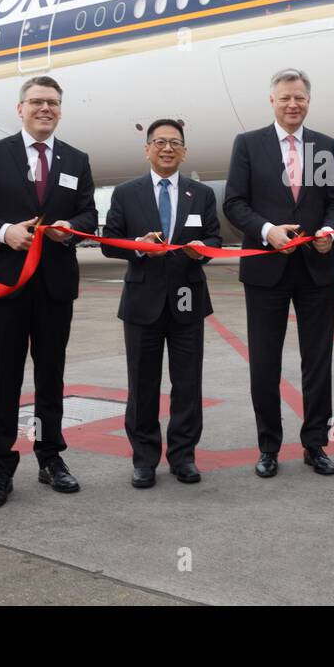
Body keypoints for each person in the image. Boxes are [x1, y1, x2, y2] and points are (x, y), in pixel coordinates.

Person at [0, 76, 98, 508]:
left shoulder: (76, 159)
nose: (45, 109)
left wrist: (71, 230)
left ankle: (50, 457)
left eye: (53, 103)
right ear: (20, 108)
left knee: (50, 376)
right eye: (36, 102)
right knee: (6, 376)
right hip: (7, 285)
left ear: (60, 109)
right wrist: (4, 232)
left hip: (55, 285)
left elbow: (89, 211)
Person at [223, 69, 334, 478]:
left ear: (308, 101)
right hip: (265, 268)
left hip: (316, 267)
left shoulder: (325, 146)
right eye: (285, 98)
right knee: (265, 362)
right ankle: (268, 447)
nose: (293, 104)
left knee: (318, 361)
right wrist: (266, 231)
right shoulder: (248, 144)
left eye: (300, 98)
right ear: (271, 101)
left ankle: (315, 445)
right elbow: (235, 203)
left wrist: (329, 231)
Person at [101, 119, 221, 488]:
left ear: (184, 151)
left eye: (175, 143)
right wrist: (139, 245)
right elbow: (110, 242)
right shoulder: (126, 193)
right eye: (159, 142)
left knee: (188, 384)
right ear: (147, 149)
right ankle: (144, 459)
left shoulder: (200, 194)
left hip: (187, 300)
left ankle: (183, 457)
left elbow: (214, 239)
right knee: (143, 384)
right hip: (142, 302)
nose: (167, 148)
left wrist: (199, 252)